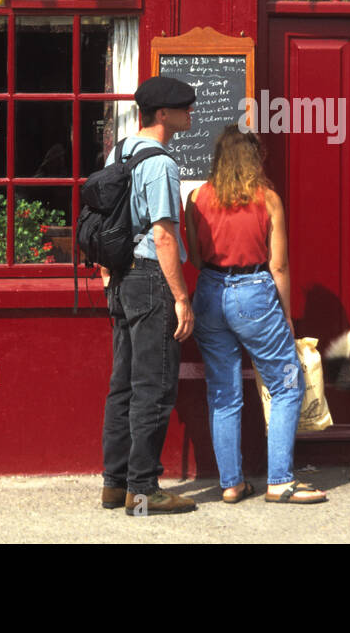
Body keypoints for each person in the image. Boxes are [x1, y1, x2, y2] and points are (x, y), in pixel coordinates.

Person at [184, 124, 328, 504]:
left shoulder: (196, 197)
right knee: (286, 383)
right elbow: (278, 266)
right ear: (254, 160)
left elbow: (196, 258)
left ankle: (231, 483)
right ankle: (279, 481)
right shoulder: (268, 200)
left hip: (211, 294)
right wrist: (288, 316)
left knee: (223, 392)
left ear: (218, 159)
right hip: (255, 297)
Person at [99, 75, 198, 516]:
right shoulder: (161, 163)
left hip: (121, 279)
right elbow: (162, 234)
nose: (190, 115)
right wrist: (181, 296)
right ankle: (144, 490)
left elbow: (106, 222)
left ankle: (114, 485)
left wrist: (108, 274)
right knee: (153, 388)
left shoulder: (118, 151)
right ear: (163, 115)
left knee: (122, 386)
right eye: (184, 109)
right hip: (151, 278)